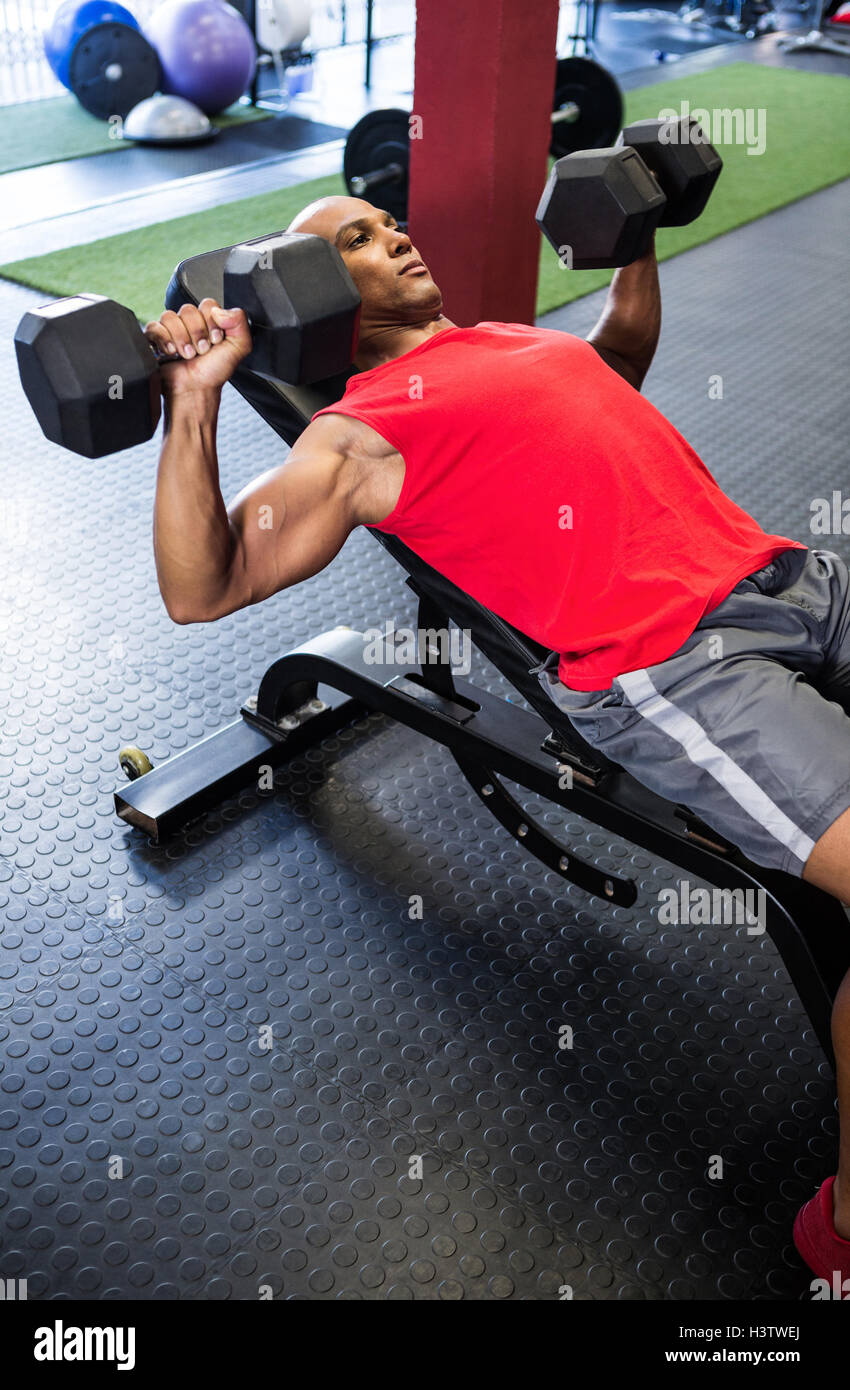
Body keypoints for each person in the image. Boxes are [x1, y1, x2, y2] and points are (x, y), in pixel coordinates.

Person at [145, 194, 850, 1285]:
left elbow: (616, 357)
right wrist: (192, 402)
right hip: (670, 666)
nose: (395, 238)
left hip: (784, 579)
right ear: (318, 293)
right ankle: (840, 1224)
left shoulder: (505, 339)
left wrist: (638, 235)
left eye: (385, 222)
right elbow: (205, 584)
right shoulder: (356, 430)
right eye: (355, 244)